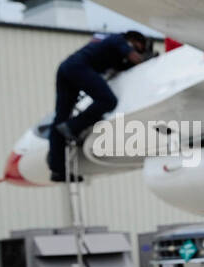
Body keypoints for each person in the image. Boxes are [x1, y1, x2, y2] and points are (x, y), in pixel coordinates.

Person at [47, 30, 148, 182]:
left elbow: (123, 65)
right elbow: (132, 56)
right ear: (133, 41)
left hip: (66, 68)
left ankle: (58, 170)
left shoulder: (112, 49)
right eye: (138, 48)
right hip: (79, 67)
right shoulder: (118, 39)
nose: (138, 52)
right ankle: (73, 127)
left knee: (60, 120)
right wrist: (146, 60)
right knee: (108, 101)